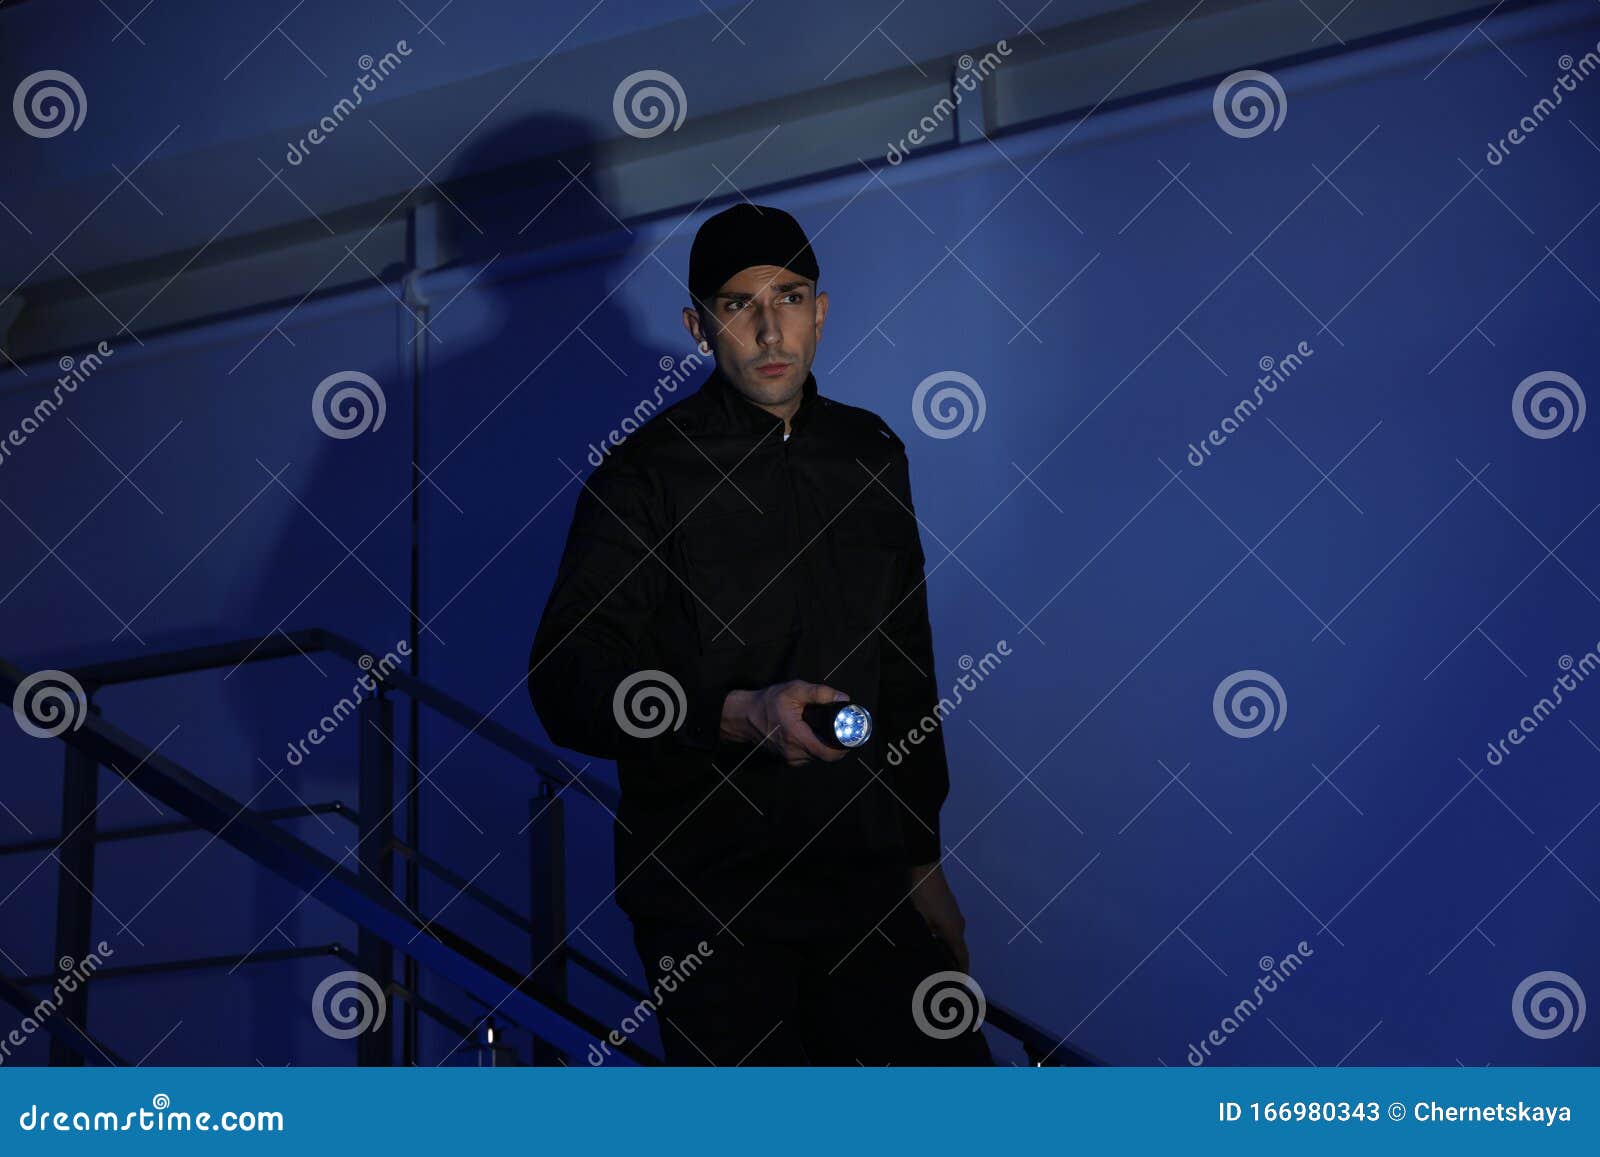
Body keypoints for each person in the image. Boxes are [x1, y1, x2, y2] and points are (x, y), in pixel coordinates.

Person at [527, 202, 990, 1065]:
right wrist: (737, 713)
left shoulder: (870, 454)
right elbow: (566, 679)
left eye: (790, 295)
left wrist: (922, 860)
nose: (770, 327)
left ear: (821, 309)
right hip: (713, 903)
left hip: (863, 880)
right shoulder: (643, 478)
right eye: (739, 305)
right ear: (698, 328)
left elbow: (906, 665)